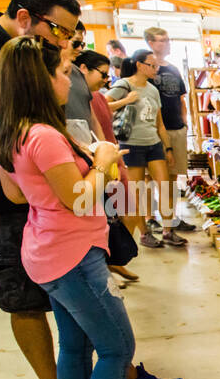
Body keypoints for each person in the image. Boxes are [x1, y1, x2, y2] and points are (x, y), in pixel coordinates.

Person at [0, 0, 183, 379]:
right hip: (4, 200)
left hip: (62, 180)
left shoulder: (44, 62)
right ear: (27, 18)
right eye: (61, 31)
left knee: (83, 299)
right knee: (25, 300)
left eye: (72, 36)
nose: (66, 43)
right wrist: (26, 88)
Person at [0, 37, 150, 379]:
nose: (70, 80)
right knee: (118, 346)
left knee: (76, 345)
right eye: (63, 72)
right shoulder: (44, 136)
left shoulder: (14, 131)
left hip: (46, 250)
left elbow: (15, 194)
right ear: (39, 80)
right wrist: (101, 161)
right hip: (74, 255)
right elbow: (78, 198)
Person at [107, 48, 183, 248]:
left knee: (165, 186)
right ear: (139, 65)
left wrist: (168, 148)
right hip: (131, 145)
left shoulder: (152, 89)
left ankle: (168, 230)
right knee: (137, 191)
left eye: (156, 65)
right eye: (152, 65)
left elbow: (159, 124)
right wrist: (126, 101)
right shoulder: (123, 85)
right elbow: (102, 106)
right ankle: (144, 234)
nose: (156, 69)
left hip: (153, 143)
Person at [77, 48, 140, 283]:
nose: (106, 79)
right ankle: (109, 264)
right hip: (99, 164)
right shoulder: (79, 98)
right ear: (82, 70)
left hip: (112, 159)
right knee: (108, 215)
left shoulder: (97, 97)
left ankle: (116, 259)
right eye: (102, 74)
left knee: (127, 210)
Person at [144, 27, 195, 231]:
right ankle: (150, 217)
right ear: (150, 42)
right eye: (161, 40)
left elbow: (182, 98)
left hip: (175, 128)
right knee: (150, 177)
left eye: (167, 40)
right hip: (152, 131)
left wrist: (184, 122)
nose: (166, 43)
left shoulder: (173, 69)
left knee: (173, 176)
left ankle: (171, 217)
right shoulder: (145, 70)